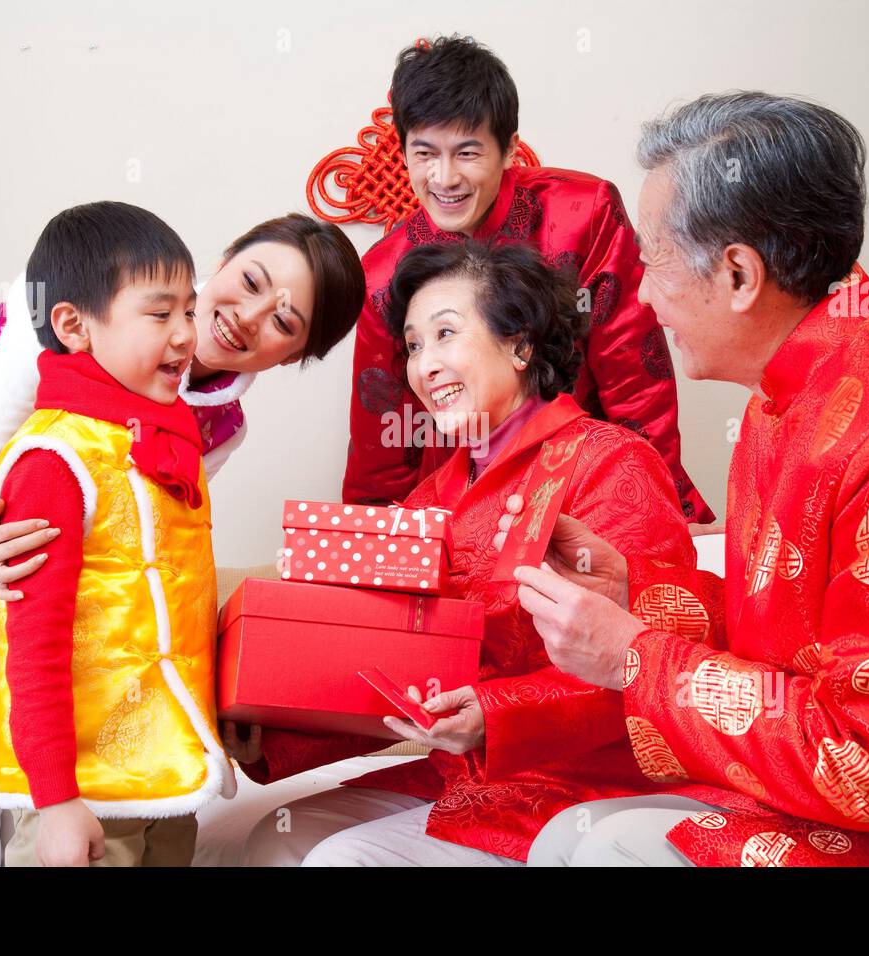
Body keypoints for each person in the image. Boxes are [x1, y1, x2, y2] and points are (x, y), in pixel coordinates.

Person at [508, 92, 869, 866]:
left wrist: (633, 657)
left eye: (654, 263)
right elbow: (804, 644)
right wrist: (630, 595)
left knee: (615, 851)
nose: (642, 296)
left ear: (740, 273)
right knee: (568, 834)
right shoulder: (792, 391)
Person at [0, 208, 363, 866]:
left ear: (294, 356)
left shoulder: (215, 429)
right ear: (227, 256)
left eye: (284, 323)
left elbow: (154, 568)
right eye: (252, 280)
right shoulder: (81, 305)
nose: (249, 316)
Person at [232, 241, 721, 866]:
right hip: (459, 774)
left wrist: (497, 713)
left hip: (581, 785)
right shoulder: (430, 496)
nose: (425, 365)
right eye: (413, 346)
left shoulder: (611, 462)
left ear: (520, 345)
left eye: (445, 335)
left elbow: (655, 659)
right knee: (278, 841)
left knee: (340, 861)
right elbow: (385, 663)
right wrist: (267, 734)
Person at [343, 35, 711, 523]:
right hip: (461, 494)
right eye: (425, 153)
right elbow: (383, 435)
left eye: (467, 153)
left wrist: (648, 504)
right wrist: (372, 548)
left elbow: (637, 379)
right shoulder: (381, 276)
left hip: (587, 481)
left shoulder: (584, 214)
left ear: (509, 148)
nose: (444, 177)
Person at [0, 201, 237, 866]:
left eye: (189, 310)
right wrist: (55, 802)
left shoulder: (155, 441)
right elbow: (33, 646)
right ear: (73, 325)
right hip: (85, 797)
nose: (187, 335)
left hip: (165, 784)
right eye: (161, 314)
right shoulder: (56, 461)